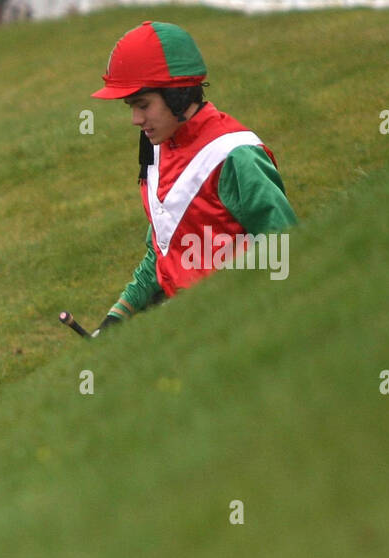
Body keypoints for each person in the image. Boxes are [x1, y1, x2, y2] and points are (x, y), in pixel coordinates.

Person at [89, 21, 296, 334]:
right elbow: (164, 252)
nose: (135, 119)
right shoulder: (154, 150)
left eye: (143, 105)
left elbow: (287, 249)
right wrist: (115, 319)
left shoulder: (236, 154)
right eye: (131, 107)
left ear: (178, 95)